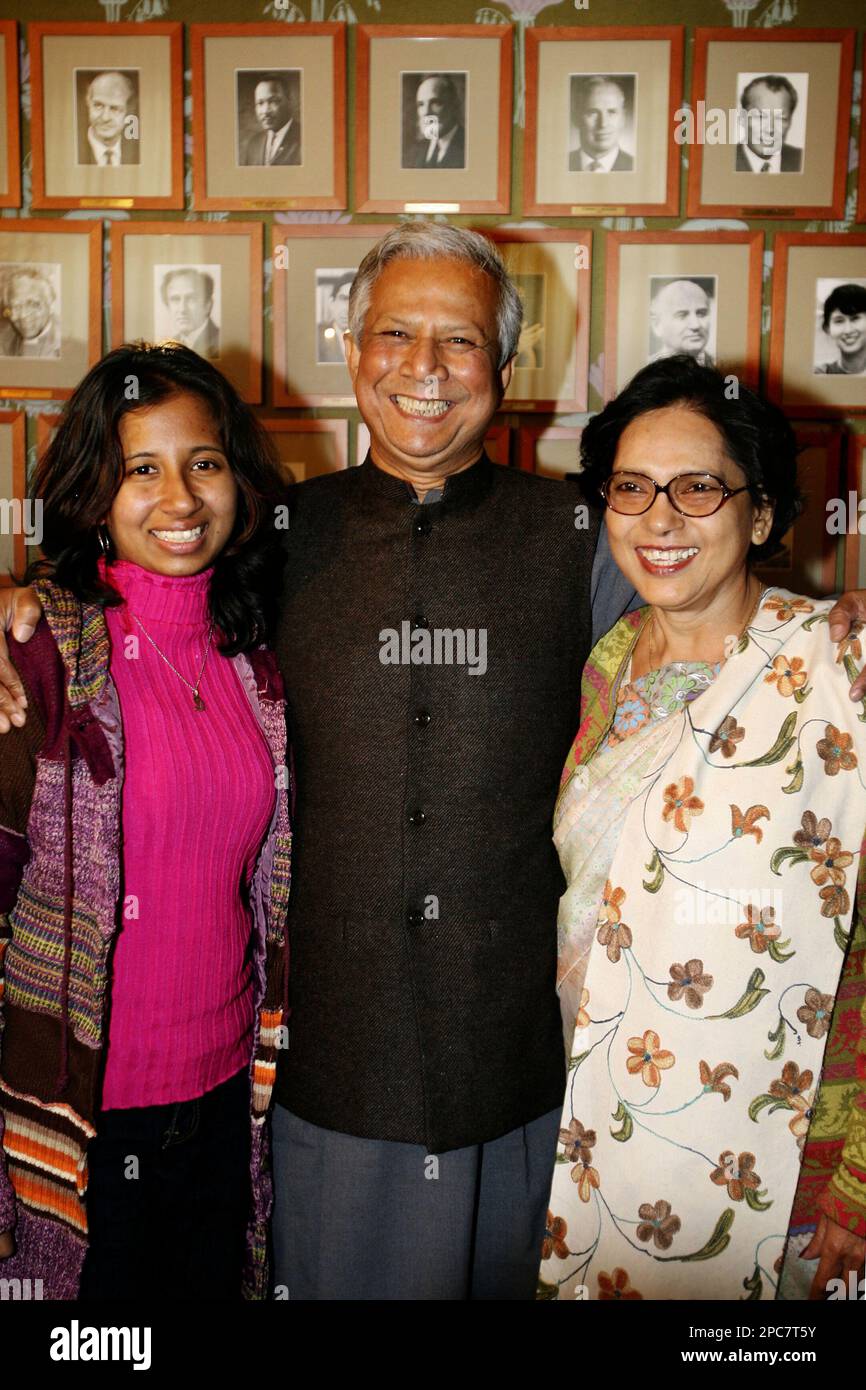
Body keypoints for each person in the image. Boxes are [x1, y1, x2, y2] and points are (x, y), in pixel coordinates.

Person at [1, 226, 864, 1302]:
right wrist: (23, 603)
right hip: (324, 1078)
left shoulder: (582, 535)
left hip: (527, 1079)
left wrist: (829, 625)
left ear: (505, 367)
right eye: (394, 334)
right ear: (350, 349)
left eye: (458, 340)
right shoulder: (273, 536)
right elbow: (138, 597)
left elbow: (705, 629)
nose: (423, 368)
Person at [539, 356, 866, 1301]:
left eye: (698, 488)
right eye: (632, 489)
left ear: (760, 515)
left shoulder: (835, 665)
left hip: (790, 1150)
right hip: (617, 1129)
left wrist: (857, 1185)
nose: (660, 519)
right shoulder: (609, 664)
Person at [0, 343, 291, 1300]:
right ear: (93, 494)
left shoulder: (258, 655)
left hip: (223, 1106)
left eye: (203, 463)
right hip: (79, 1114)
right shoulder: (41, 656)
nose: (180, 498)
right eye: (142, 469)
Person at [736, 74, 802, 174]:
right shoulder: (722, 160)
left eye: (780, 118)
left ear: (790, 122)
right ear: (742, 118)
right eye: (760, 117)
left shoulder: (801, 160)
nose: (770, 129)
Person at [568, 76, 634, 172]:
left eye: (611, 112)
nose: (603, 124)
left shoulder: (636, 166)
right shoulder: (557, 164)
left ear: (623, 118)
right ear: (576, 118)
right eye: (593, 113)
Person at [403, 74, 466, 169]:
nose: (426, 112)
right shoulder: (413, 152)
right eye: (421, 104)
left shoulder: (469, 148)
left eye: (435, 103)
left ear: (454, 106)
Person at [78, 71, 138, 166]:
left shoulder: (138, 151)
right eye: (98, 105)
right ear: (88, 103)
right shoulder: (72, 149)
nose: (105, 118)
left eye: (115, 109)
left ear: (128, 111)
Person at [649, 279, 714, 366]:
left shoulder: (724, 369)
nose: (696, 325)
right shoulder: (646, 371)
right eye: (682, 315)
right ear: (657, 325)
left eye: (701, 314)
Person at [0, 268, 61, 359]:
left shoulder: (66, 343)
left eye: (33, 305)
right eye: (16, 306)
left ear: (51, 305)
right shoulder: (3, 339)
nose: (23, 315)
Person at [241, 74, 300, 166]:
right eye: (260, 103)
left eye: (273, 101)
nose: (265, 111)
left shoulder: (304, 138)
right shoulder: (253, 144)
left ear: (289, 101)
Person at [159, 269, 220, 359]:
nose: (182, 309)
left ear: (208, 305)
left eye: (191, 298)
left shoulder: (219, 342)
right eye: (175, 299)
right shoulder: (169, 345)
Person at [815, 283, 866, 377]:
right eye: (839, 321)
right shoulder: (819, 374)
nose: (848, 330)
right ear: (827, 328)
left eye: (855, 318)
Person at [316, 271, 353, 364]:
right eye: (343, 299)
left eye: (354, 300)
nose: (347, 308)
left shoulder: (368, 339)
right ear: (331, 303)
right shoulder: (316, 336)